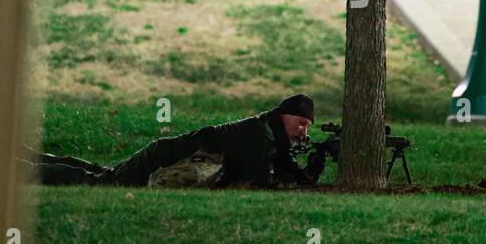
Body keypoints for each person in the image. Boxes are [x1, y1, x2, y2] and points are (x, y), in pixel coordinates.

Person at [31, 93, 324, 189]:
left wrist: (310, 172)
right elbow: (261, 180)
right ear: (284, 116)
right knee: (102, 183)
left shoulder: (267, 131)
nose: (303, 131)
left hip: (166, 153)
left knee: (100, 172)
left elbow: (281, 167)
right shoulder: (257, 136)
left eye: (307, 127)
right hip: (166, 157)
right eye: (301, 123)